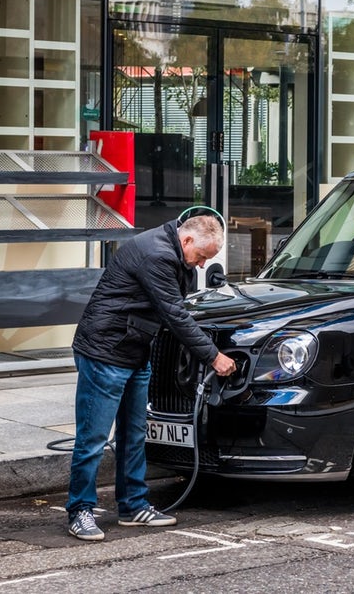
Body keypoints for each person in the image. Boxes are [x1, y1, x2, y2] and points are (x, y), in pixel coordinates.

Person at [65, 214, 237, 541]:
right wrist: (213, 356)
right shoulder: (156, 255)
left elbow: (179, 306)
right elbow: (175, 314)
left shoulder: (175, 251)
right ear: (186, 241)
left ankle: (133, 506)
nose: (201, 266)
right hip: (105, 352)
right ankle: (80, 510)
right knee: (93, 438)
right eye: (201, 257)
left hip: (135, 350)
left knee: (134, 435)